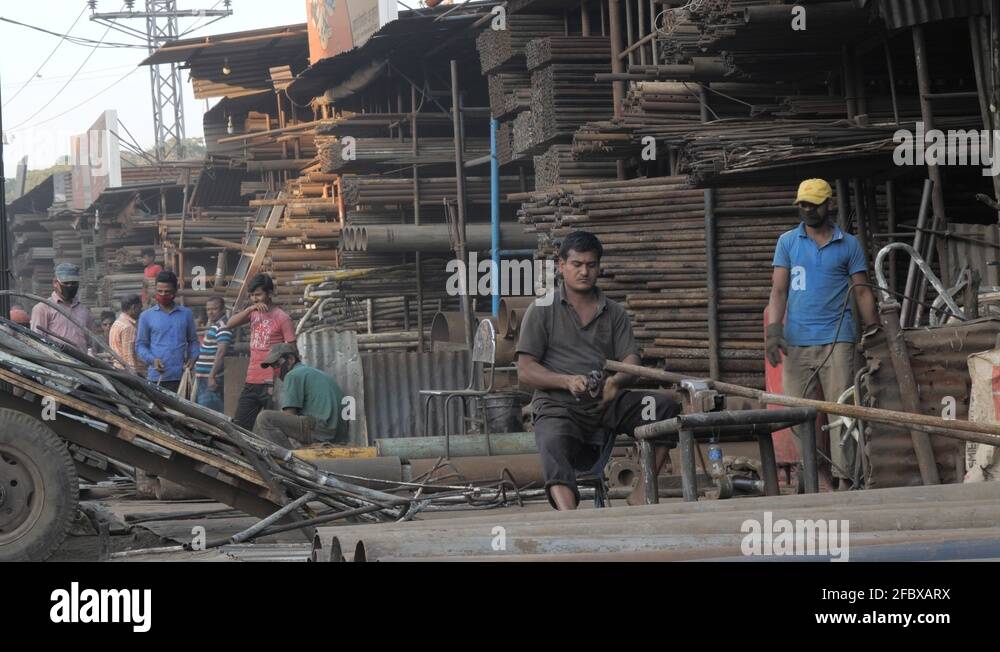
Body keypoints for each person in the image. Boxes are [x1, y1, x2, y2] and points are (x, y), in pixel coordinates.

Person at [516, 230, 682, 510]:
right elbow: (525, 370)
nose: (584, 272)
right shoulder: (542, 309)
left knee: (662, 408)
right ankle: (571, 517)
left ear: (599, 267)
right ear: (561, 266)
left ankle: (640, 494)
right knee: (552, 441)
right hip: (558, 405)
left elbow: (631, 361)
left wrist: (616, 382)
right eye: (577, 264)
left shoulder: (614, 312)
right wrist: (566, 381)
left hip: (605, 401)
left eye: (591, 265)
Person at [765, 178, 879, 491]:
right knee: (797, 413)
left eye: (813, 205)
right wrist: (774, 331)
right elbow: (778, 290)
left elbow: (862, 292)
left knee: (841, 411)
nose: (807, 210)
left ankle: (846, 479)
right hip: (796, 342)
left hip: (839, 338)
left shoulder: (849, 245)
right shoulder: (787, 242)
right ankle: (817, 475)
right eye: (802, 204)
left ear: (828, 205)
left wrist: (873, 331)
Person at [227, 273, 297, 430]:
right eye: (252, 295)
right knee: (240, 427)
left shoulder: (282, 317)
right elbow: (229, 324)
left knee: (274, 429)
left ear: (270, 293)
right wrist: (250, 309)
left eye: (258, 295)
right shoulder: (253, 313)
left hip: (273, 382)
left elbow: (292, 350)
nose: (255, 299)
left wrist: (286, 377)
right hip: (251, 380)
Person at [252, 343, 345, 449]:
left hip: (321, 428)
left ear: (291, 359)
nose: (275, 371)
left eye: (277, 364)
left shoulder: (293, 375)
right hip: (334, 431)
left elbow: (289, 415)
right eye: (272, 367)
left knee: (265, 418)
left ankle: (290, 460)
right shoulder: (312, 372)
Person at [136, 270, 200, 393]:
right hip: (157, 377)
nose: (163, 295)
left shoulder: (186, 314)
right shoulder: (146, 316)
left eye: (167, 292)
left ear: (175, 291)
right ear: (155, 290)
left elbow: (193, 341)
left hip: (181, 377)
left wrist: (193, 357)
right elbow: (140, 346)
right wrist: (152, 360)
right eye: (159, 291)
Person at [30, 262, 93, 351]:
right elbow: (36, 342)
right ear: (55, 283)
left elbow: (89, 342)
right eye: (66, 283)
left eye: (73, 283)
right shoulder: (43, 309)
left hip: (81, 363)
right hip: (57, 362)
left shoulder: (84, 310)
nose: (70, 286)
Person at [194, 296, 233, 413]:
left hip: (211, 378)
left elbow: (221, 351)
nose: (210, 312)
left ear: (222, 310)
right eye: (208, 309)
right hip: (204, 378)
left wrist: (212, 376)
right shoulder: (216, 325)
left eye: (214, 309)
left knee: (209, 414)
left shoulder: (223, 326)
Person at [108, 295, 144, 373]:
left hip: (118, 368)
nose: (141, 311)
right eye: (140, 308)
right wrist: (135, 377)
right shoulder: (128, 327)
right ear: (134, 307)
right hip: (127, 372)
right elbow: (129, 355)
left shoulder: (117, 323)